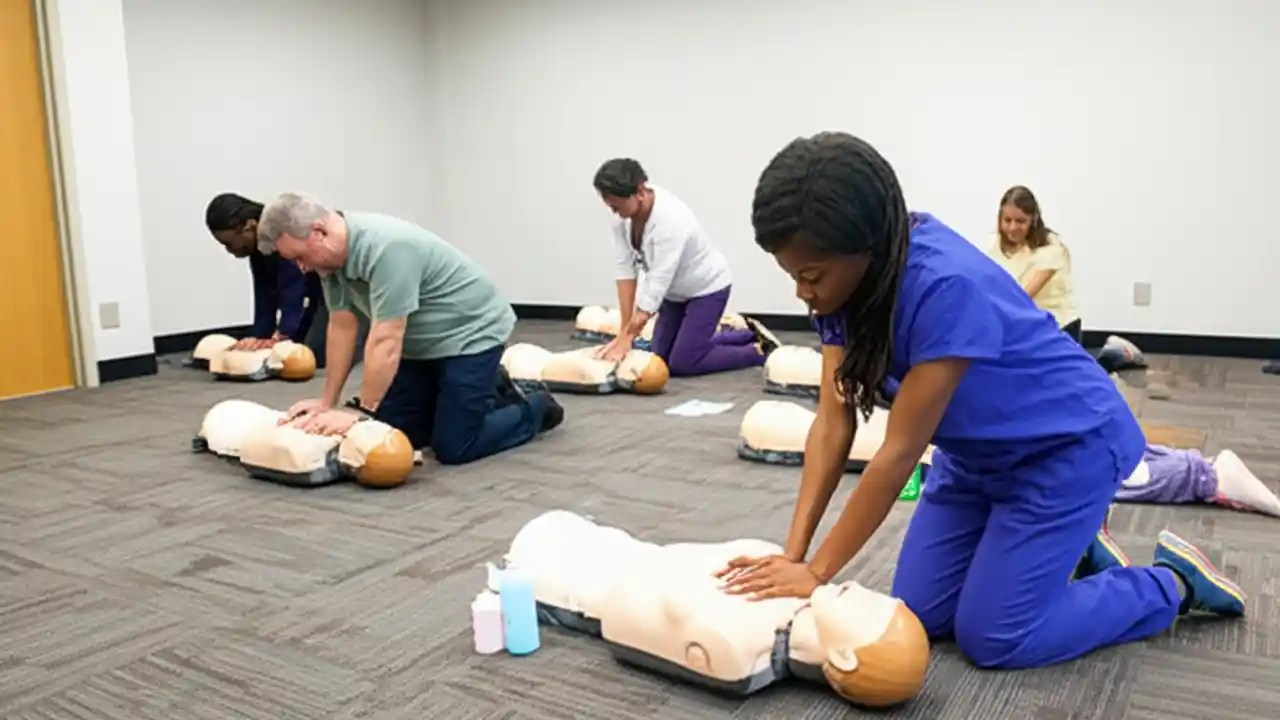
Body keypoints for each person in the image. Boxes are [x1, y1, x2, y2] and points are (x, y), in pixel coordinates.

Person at [716, 131, 1246, 671]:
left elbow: (899, 453)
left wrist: (819, 572)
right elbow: (833, 421)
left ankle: (1170, 584)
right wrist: (793, 554)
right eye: (793, 277)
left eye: (810, 276)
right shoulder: (846, 285)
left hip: (1066, 449)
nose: (802, 293)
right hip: (974, 459)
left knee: (995, 637)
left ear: (866, 246)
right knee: (919, 616)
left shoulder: (943, 284)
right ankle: (1073, 548)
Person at [254, 192, 563, 465]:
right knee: (397, 432)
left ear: (320, 231)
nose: (302, 269)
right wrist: (326, 402)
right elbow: (342, 327)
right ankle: (485, 391)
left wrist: (362, 412)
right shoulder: (328, 260)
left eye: (300, 257)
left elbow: (386, 337)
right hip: (419, 344)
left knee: (454, 446)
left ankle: (535, 404)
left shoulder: (389, 248)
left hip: (471, 334)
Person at [592, 158, 778, 375]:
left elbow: (657, 283)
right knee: (659, 357)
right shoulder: (621, 214)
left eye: (616, 206)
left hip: (707, 289)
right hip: (675, 295)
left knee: (684, 362)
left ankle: (759, 350)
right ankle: (742, 333)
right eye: (610, 206)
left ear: (640, 192)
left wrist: (629, 337)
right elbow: (624, 268)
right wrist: (623, 333)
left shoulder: (671, 221)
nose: (613, 212)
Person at [204, 192, 366, 366]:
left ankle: (366, 333)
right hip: (314, 293)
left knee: (315, 355)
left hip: (337, 286)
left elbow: (293, 287)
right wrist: (258, 338)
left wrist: (282, 336)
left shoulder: (278, 234)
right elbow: (264, 294)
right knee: (291, 350)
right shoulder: (257, 249)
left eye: (229, 243)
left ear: (249, 227)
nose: (229, 250)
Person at [984, 186, 1083, 344]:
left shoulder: (1052, 249)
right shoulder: (993, 244)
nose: (1012, 228)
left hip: (1056, 327)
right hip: (1019, 324)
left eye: (1020, 221)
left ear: (1033, 219)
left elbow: (1022, 297)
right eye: (1007, 220)